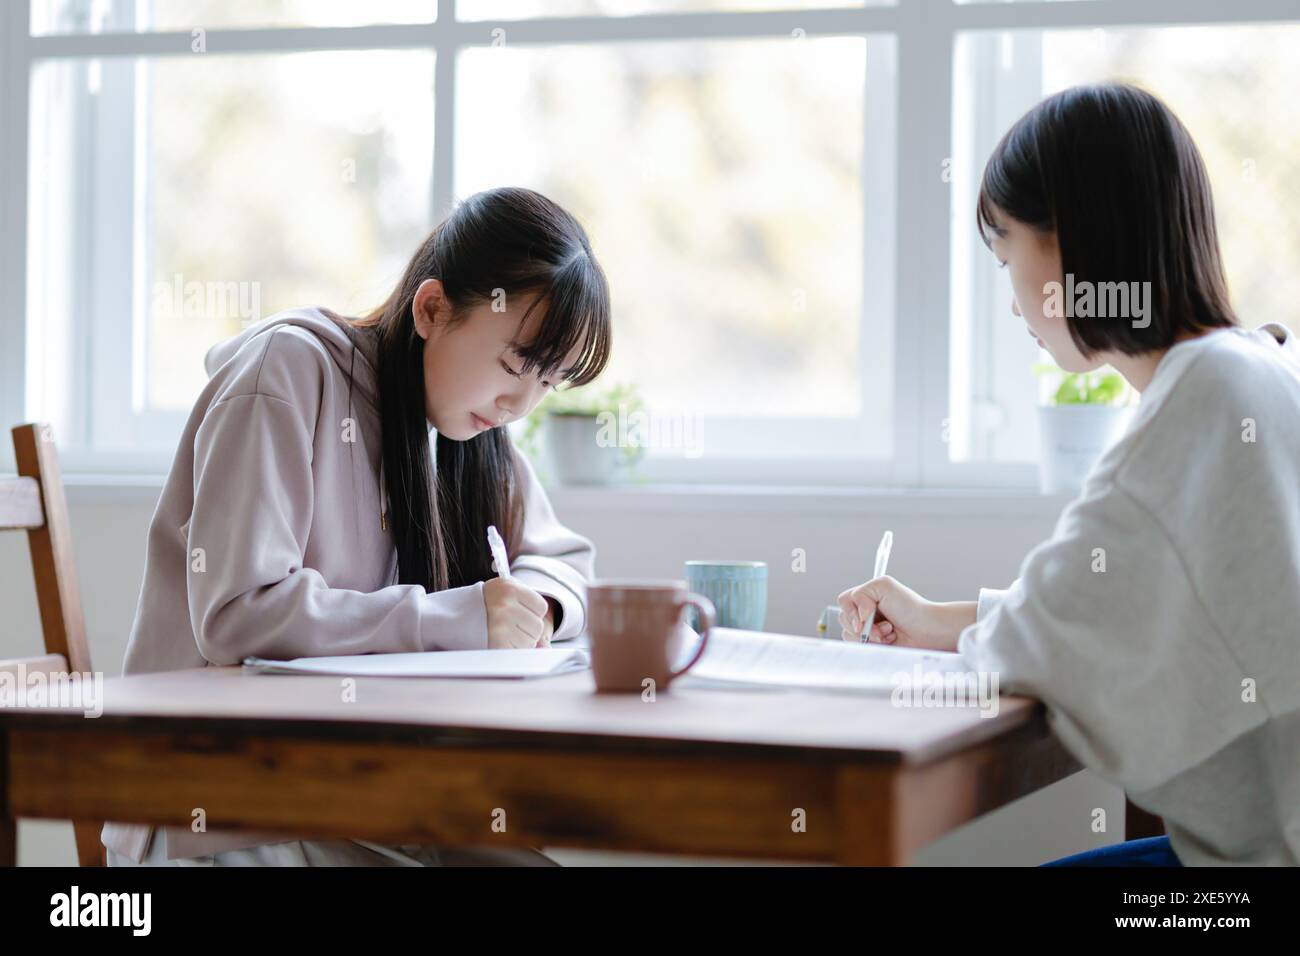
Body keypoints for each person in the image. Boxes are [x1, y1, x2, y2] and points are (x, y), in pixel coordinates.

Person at [838, 84, 1300, 866]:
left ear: (1071, 239)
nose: (1011, 292)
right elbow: (1096, 610)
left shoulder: (1199, 399)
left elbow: (1043, 641)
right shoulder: (1252, 370)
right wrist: (936, 620)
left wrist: (963, 636)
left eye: (1005, 248)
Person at [104, 186, 611, 866]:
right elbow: (237, 615)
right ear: (431, 308)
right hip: (224, 807)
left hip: (373, 794)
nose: (522, 401)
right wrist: (457, 619)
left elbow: (565, 562)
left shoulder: (472, 432)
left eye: (550, 381)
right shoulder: (287, 373)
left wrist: (540, 605)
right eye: (514, 364)